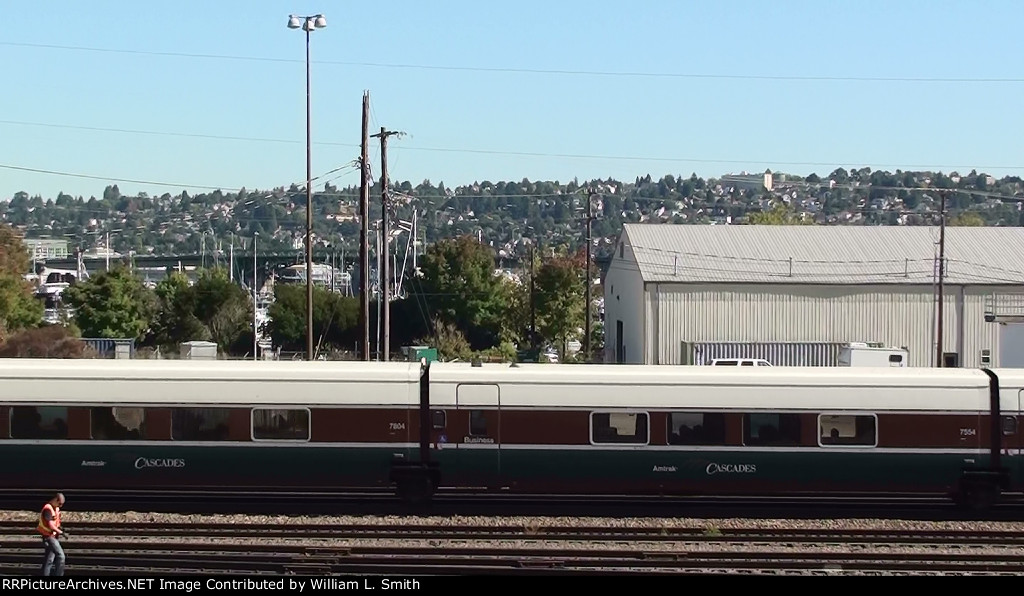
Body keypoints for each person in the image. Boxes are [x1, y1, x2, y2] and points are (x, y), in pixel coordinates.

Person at [37, 493, 65, 576]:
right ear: (55, 499)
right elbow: (51, 525)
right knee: (61, 556)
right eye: (60, 503)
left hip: (53, 536)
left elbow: (55, 522)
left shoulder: (55, 508)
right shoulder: (48, 509)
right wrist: (60, 532)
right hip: (49, 536)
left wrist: (60, 528)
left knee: (49, 559)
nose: (60, 506)